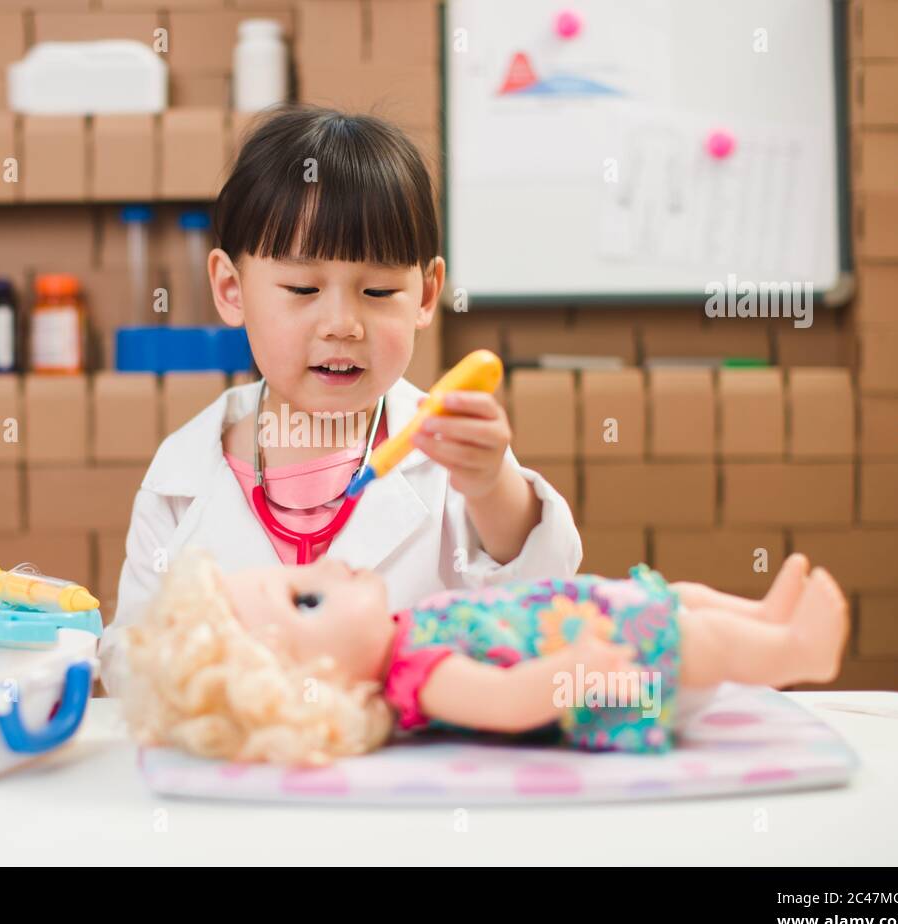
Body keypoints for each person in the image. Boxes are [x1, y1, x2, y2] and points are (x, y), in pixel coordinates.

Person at [101, 105, 581, 690]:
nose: (342, 324)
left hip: (409, 769)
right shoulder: (182, 474)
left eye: (378, 291)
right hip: (246, 765)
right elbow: (132, 658)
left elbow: (539, 594)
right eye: (302, 288)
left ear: (426, 294)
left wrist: (488, 485)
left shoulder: (445, 455)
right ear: (231, 289)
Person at [121, 552, 849, 766]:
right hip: (618, 666)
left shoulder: (408, 630)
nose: (330, 569)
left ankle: (763, 617)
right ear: (320, 686)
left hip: (603, 618)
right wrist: (579, 671)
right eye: (306, 603)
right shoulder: (417, 677)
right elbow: (506, 703)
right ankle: (789, 653)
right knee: (699, 643)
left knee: (685, 592)